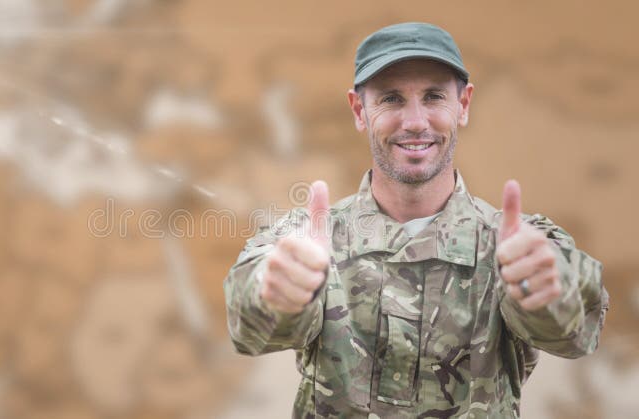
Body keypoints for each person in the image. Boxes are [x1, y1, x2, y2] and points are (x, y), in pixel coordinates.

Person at [223, 22, 608, 418]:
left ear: (464, 105)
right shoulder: (308, 242)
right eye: (391, 99)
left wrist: (552, 290)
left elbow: (577, 333)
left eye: (434, 96)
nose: (415, 121)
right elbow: (249, 326)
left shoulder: (516, 245)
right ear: (359, 111)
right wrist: (275, 296)